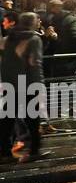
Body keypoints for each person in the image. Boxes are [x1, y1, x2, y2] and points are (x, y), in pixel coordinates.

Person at [0, 12, 46, 163]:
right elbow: (34, 64)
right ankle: (34, 150)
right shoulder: (33, 39)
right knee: (32, 118)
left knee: (7, 119)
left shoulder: (7, 39)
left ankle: (5, 152)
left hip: (10, 84)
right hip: (27, 85)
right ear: (32, 23)